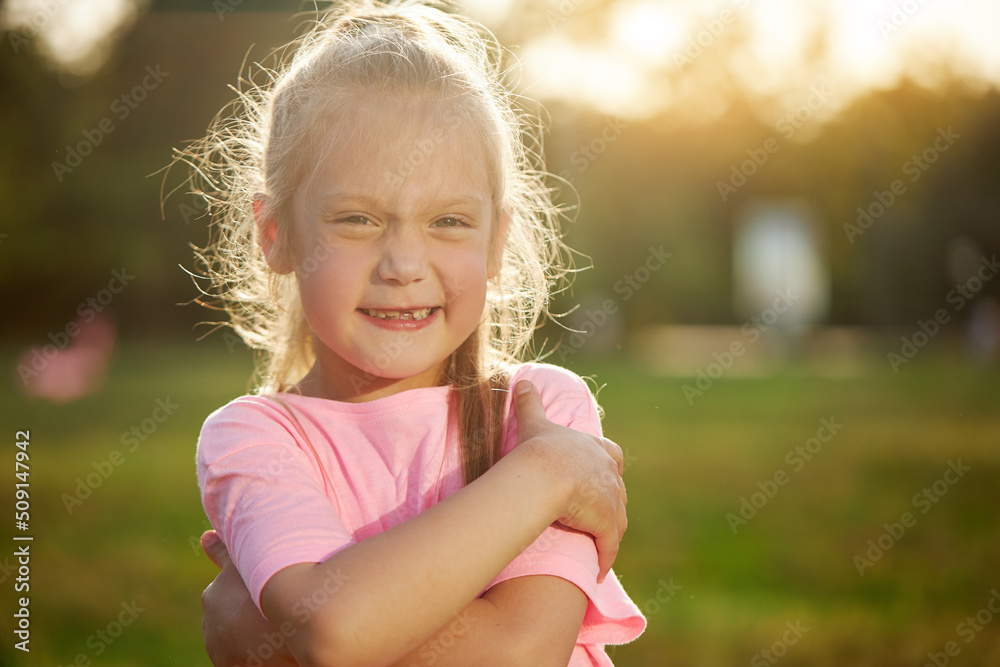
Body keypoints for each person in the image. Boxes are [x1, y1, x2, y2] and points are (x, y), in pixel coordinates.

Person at [183, 1, 646, 664]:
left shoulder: (543, 415)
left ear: (496, 242)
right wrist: (545, 477)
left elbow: (516, 652)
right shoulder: (255, 439)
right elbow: (335, 630)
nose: (403, 265)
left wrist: (265, 638)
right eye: (356, 219)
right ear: (276, 234)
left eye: (450, 222)